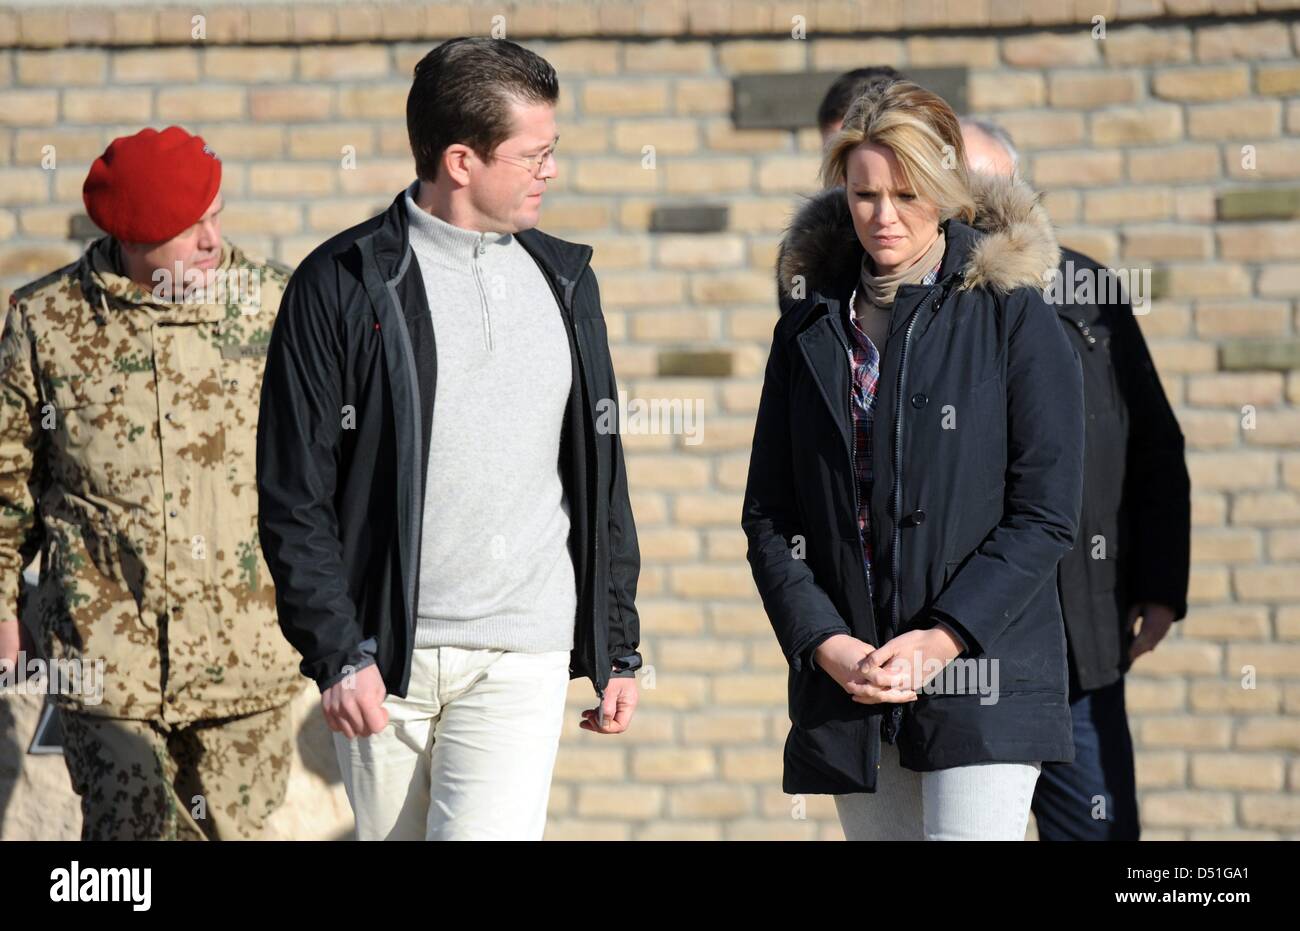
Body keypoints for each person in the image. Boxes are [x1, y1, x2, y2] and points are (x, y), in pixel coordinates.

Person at [256, 37, 642, 841]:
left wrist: (619, 642)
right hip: (384, 656)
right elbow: (295, 492)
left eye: (552, 152)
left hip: (520, 651)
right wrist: (336, 650)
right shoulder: (341, 283)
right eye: (533, 155)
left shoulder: (567, 280)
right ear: (461, 160)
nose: (550, 171)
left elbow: (601, 474)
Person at [743, 79, 1084, 840]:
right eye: (865, 194)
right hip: (852, 682)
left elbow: (1046, 511)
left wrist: (942, 638)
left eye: (907, 191)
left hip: (982, 669)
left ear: (946, 187)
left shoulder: (1010, 311)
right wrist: (824, 642)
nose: (884, 216)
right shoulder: (807, 325)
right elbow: (770, 514)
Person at [0, 126, 302, 840]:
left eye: (215, 216)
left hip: (246, 659)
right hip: (109, 667)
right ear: (132, 238)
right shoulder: (46, 322)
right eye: (186, 226)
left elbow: (331, 473)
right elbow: (7, 479)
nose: (210, 240)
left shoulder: (273, 306)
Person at [962, 118, 1191, 841]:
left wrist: (1160, 582)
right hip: (962, 652)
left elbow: (1154, 440)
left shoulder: (1089, 290)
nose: (978, 214)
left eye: (994, 192)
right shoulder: (924, 302)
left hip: (1078, 648)